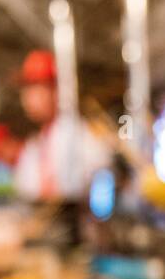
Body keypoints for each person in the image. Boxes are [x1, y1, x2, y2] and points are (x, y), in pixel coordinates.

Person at [14, 50, 111, 204]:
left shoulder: (84, 138)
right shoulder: (35, 145)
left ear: (57, 91)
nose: (26, 98)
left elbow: (100, 181)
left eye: (35, 88)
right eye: (25, 90)